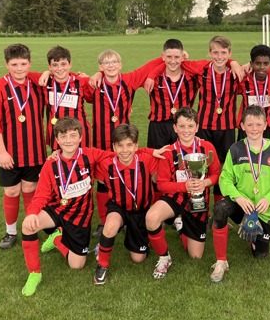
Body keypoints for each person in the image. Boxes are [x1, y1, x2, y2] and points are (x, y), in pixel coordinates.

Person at [20, 117, 114, 296]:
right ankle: (34, 273)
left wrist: (150, 151)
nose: (68, 140)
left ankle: (56, 239)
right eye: (63, 136)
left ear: (80, 137)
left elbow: (121, 153)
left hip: (81, 217)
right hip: (58, 209)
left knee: (77, 265)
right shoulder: (51, 164)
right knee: (28, 225)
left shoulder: (90, 154)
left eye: (73, 135)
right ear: (56, 140)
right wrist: (32, 213)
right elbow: (40, 196)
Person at [148, 36, 245, 206]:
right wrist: (152, 74)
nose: (219, 56)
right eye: (215, 52)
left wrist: (234, 63)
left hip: (227, 127)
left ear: (230, 53)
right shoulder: (201, 68)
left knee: (221, 169)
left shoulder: (236, 72)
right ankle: (181, 205)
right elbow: (174, 62)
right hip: (204, 126)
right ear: (209, 53)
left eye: (224, 53)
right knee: (196, 167)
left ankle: (217, 210)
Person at [84, 50, 170, 237]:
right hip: (102, 140)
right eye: (106, 63)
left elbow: (151, 65)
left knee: (129, 176)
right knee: (103, 180)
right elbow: (68, 77)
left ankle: (132, 214)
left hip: (124, 141)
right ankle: (103, 220)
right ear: (100, 67)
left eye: (114, 62)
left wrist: (165, 56)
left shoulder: (130, 79)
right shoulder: (94, 83)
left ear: (121, 64)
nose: (111, 66)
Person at [210, 106, 270, 282]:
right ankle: (221, 261)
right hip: (241, 204)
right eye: (250, 124)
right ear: (242, 126)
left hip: (262, 209)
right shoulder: (235, 149)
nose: (254, 128)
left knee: (260, 254)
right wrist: (238, 197)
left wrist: (268, 199)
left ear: (266, 125)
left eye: (258, 124)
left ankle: (255, 233)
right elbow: (225, 179)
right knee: (220, 208)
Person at [91, 124, 173, 285]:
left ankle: (144, 238)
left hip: (140, 211)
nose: (124, 150)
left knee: (138, 258)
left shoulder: (147, 159)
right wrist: (57, 155)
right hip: (118, 208)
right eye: (119, 145)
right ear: (113, 146)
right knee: (110, 225)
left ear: (136, 145)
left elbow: (172, 152)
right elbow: (86, 159)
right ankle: (102, 265)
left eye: (129, 145)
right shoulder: (106, 164)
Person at [0, 43, 47, 250]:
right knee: (12, 191)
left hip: (35, 151)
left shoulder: (38, 82)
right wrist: (2, 153)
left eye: (23, 63)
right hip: (9, 152)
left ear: (30, 63)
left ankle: (31, 228)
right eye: (14, 64)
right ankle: (11, 232)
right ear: (7, 65)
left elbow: (60, 74)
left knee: (30, 189)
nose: (19, 68)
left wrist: (47, 71)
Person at [146, 107, 221, 258]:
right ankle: (164, 257)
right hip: (175, 197)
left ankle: (181, 227)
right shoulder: (168, 152)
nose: (186, 130)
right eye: (181, 126)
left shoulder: (207, 147)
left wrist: (205, 182)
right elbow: (161, 184)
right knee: (151, 217)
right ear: (175, 128)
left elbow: (216, 174)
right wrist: (184, 186)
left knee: (195, 256)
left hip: (198, 200)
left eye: (190, 126)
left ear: (197, 128)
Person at [145, 39, 200, 149]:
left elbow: (215, 64)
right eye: (169, 57)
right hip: (158, 126)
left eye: (177, 57)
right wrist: (100, 74)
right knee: (157, 162)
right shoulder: (152, 77)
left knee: (184, 162)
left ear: (183, 57)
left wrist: (231, 62)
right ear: (163, 56)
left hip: (184, 125)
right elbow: (125, 79)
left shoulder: (193, 76)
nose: (173, 61)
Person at [36, 45, 93, 151]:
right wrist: (46, 73)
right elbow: (22, 73)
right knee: (60, 165)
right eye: (55, 65)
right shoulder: (45, 81)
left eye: (63, 64)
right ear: (50, 66)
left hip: (80, 133)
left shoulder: (82, 81)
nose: (59, 68)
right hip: (57, 134)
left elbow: (98, 97)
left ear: (70, 64)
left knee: (81, 164)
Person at [236, 44, 270, 143]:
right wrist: (234, 64)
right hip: (246, 127)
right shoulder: (244, 79)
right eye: (258, 63)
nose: (261, 67)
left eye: (265, 64)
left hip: (267, 127)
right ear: (251, 63)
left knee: (267, 158)